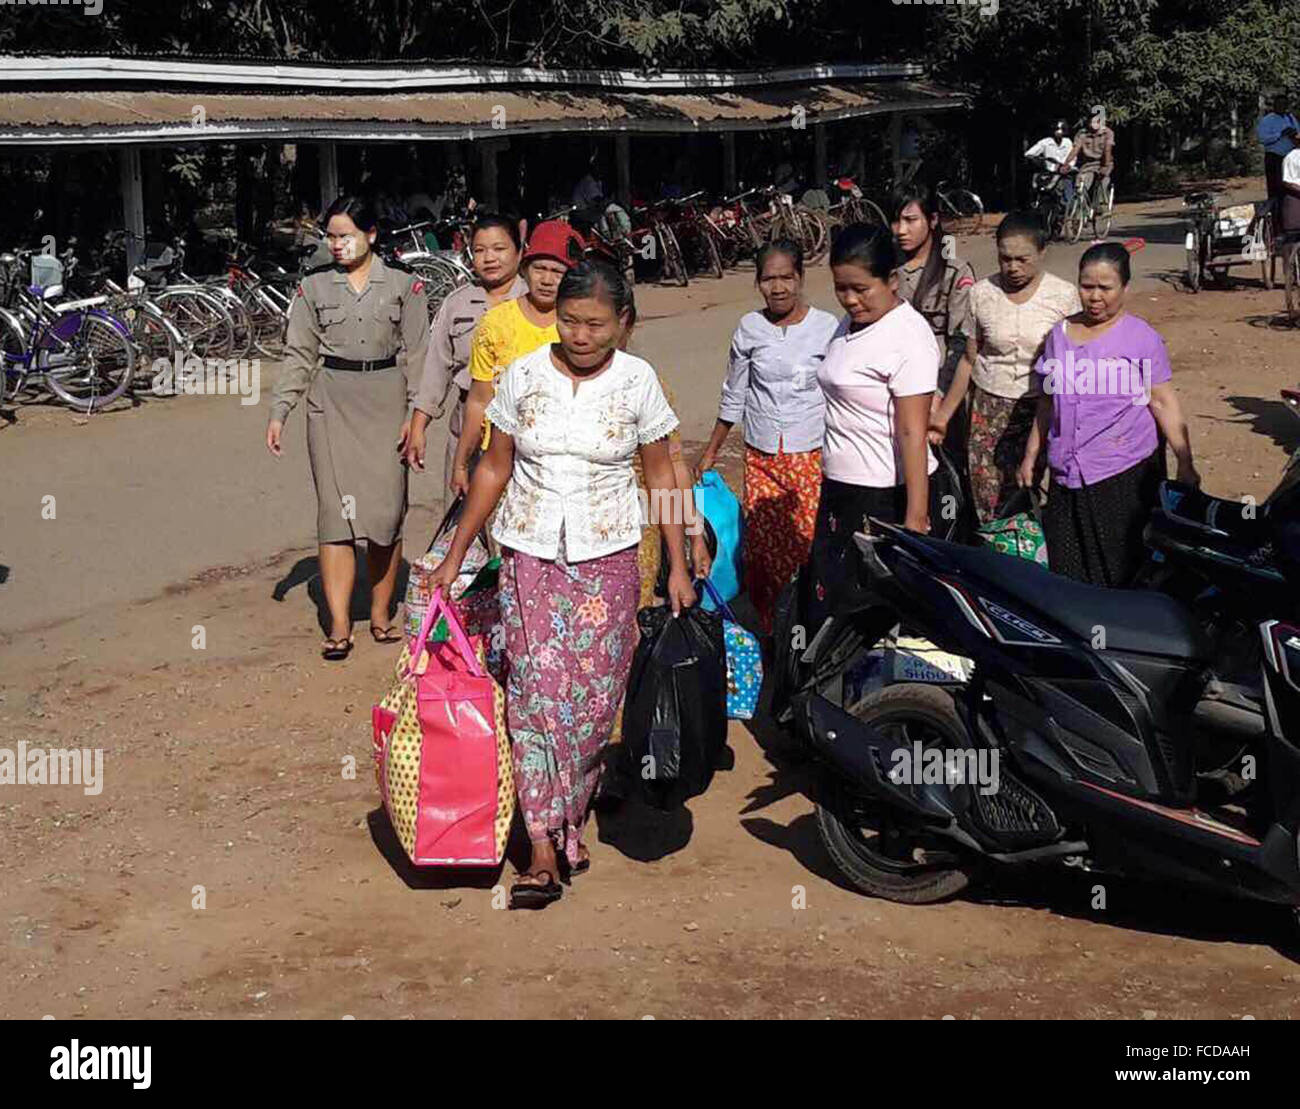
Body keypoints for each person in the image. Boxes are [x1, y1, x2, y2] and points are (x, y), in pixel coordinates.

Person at [426, 259, 694, 909]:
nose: (579, 334)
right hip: (529, 553)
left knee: (591, 708)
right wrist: (454, 552)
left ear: (623, 323)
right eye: (569, 320)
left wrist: (681, 564)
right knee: (536, 696)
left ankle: (573, 818)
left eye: (595, 324)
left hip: (609, 558)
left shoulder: (638, 383)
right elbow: (494, 469)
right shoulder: (522, 378)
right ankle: (542, 845)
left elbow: (663, 475)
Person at [266, 196, 429, 659]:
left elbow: (418, 356)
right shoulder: (312, 289)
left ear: (371, 235)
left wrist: (417, 418)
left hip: (388, 402)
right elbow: (299, 354)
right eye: (330, 237)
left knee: (384, 516)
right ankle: (339, 624)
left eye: (345, 236)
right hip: (330, 404)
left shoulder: (404, 286)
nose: (336, 245)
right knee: (334, 517)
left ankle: (380, 613)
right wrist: (280, 411)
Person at [1019, 242, 1198, 587]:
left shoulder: (1141, 338)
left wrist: (1185, 460)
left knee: (1120, 568)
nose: (1095, 297)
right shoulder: (1059, 335)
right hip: (1065, 472)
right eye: (1087, 287)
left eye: (1105, 288)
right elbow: (1047, 402)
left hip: (1121, 472)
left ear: (1125, 289)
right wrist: (1031, 455)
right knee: (1067, 568)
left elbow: (1161, 401)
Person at [805, 223, 948, 633]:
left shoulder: (908, 335)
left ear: (892, 280)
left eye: (861, 289)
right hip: (841, 489)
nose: (850, 299)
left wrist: (916, 517)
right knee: (836, 604)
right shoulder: (850, 324)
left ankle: (884, 698)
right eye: (840, 288)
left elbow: (911, 432)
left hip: (884, 497)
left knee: (873, 611)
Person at [694, 240, 839, 633]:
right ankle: (770, 625)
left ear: (801, 278)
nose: (778, 288)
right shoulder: (750, 328)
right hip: (760, 456)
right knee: (762, 549)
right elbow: (734, 393)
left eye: (786, 278)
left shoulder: (827, 328)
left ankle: (809, 620)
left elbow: (840, 392)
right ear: (758, 283)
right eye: (768, 279)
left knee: (804, 541)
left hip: (809, 454)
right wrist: (711, 451)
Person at [936, 211, 1080, 523]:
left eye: (1022, 259)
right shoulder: (981, 295)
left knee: (1026, 489)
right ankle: (994, 551)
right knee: (986, 495)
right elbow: (968, 359)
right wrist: (944, 415)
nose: (1012, 267)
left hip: (1041, 411)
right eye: (1005, 258)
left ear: (1043, 252)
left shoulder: (1064, 297)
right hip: (988, 410)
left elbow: (1076, 362)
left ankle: (1029, 554)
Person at [449, 219, 586, 495]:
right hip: (502, 462)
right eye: (539, 269)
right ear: (525, 267)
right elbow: (479, 399)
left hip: (568, 462)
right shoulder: (495, 324)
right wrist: (462, 463)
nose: (547, 280)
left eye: (557, 272)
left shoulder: (581, 326)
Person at [405, 214, 527, 500]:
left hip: (525, 437)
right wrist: (418, 426)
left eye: (499, 249)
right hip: (467, 433)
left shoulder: (535, 301)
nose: (489, 258)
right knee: (462, 522)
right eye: (480, 250)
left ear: (519, 252)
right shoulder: (457, 303)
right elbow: (435, 370)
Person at [891, 189, 975, 472]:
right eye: (895, 221)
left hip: (939, 385)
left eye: (911, 220)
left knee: (945, 471)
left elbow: (961, 343)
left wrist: (941, 395)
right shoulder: (887, 269)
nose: (901, 230)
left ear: (933, 220)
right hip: (894, 381)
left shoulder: (954, 271)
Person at [1059, 105, 1115, 214]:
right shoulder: (1082, 134)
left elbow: (1107, 150)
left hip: (1103, 162)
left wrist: (1105, 166)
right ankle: (1081, 210)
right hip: (1088, 164)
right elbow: (1075, 150)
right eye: (1092, 121)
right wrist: (1066, 163)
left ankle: (1101, 204)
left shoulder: (1107, 133)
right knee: (1081, 183)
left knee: (1103, 181)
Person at [1257, 91, 1299, 203]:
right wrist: (1280, 134)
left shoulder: (1290, 118)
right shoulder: (1267, 120)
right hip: (1275, 157)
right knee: (1275, 188)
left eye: (1285, 104)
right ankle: (1275, 214)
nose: (1282, 107)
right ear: (1274, 105)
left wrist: (1294, 135)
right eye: (1280, 104)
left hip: (1291, 158)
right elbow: (1262, 139)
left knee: (1290, 187)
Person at [1025, 120, 1073, 202]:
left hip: (1064, 173)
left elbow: (1072, 157)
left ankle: (1067, 208)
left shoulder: (1068, 142)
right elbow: (1029, 154)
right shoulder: (1045, 142)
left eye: (1062, 129)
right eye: (1057, 129)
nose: (1059, 132)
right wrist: (1039, 160)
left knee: (1067, 194)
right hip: (1048, 173)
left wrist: (1067, 166)